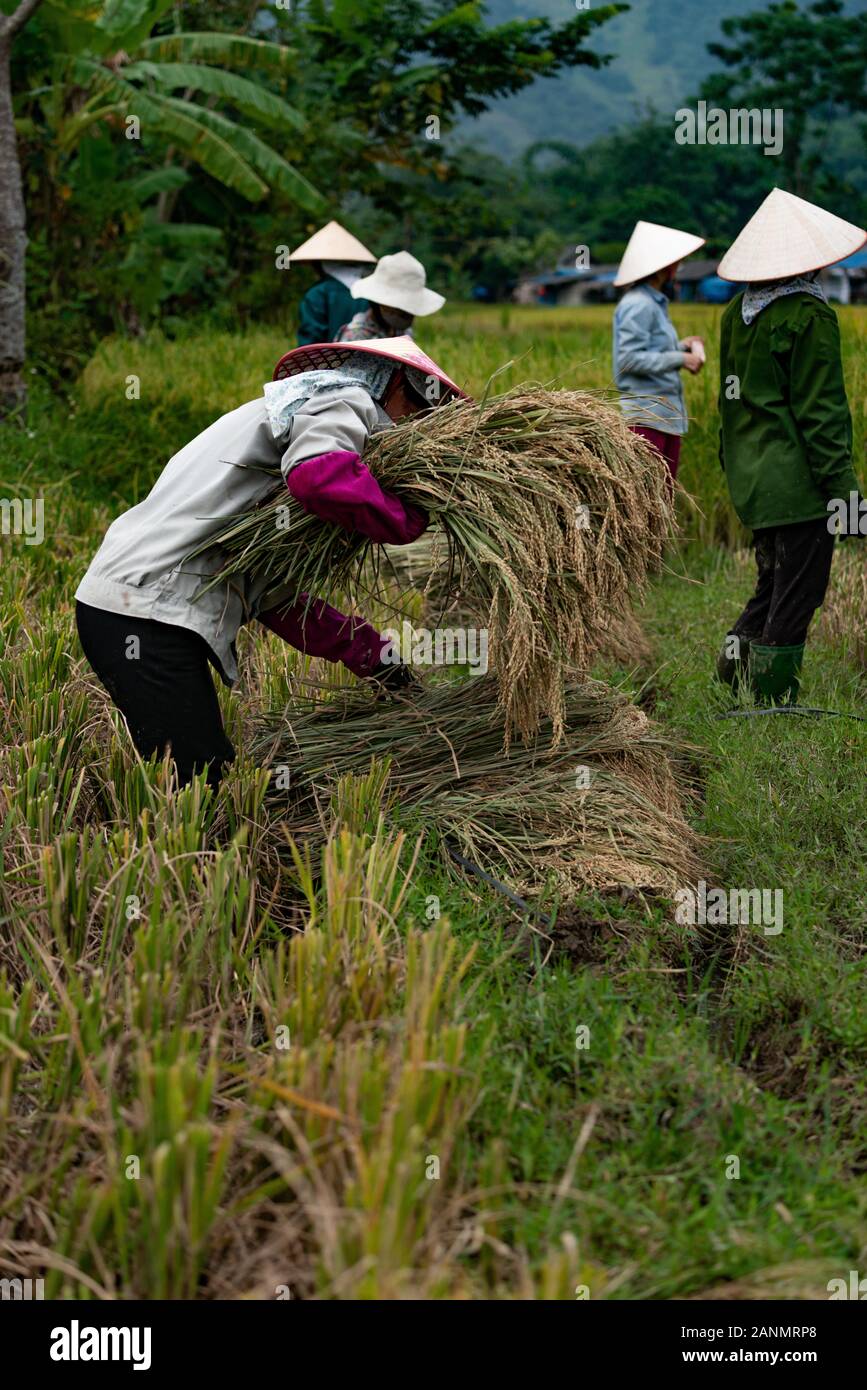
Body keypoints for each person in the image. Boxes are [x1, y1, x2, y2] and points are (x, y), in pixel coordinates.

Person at [75, 338, 466, 789]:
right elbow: (319, 475)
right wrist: (404, 521)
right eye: (418, 414)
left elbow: (275, 599)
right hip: (142, 615)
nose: (412, 429)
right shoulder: (346, 397)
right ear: (396, 385)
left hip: (126, 609)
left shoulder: (287, 419)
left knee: (198, 777)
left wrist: (371, 653)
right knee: (203, 786)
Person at [714, 188, 866, 705]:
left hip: (753, 478)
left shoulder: (736, 314)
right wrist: (847, 496)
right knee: (798, 591)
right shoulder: (808, 315)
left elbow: (728, 402)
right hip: (798, 484)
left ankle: (730, 677)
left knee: (771, 583)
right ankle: (772, 702)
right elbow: (821, 415)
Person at [612, 220, 707, 481]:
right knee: (652, 504)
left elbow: (650, 350)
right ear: (664, 267)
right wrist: (680, 358)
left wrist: (681, 347)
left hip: (664, 417)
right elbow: (629, 359)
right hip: (646, 418)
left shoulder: (653, 303)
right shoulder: (640, 305)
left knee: (662, 501)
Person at [291, 221, 375, 345]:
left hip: (329, 363)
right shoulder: (373, 291)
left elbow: (310, 341)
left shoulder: (318, 294)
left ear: (319, 264)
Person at [336, 251, 444, 342]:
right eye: (400, 307)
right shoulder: (356, 338)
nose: (407, 313)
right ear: (379, 302)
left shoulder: (404, 333)